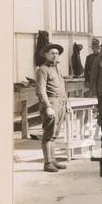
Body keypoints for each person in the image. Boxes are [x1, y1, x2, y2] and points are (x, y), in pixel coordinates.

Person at [34, 43, 69, 172]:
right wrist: (48, 107)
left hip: (60, 104)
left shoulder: (57, 69)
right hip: (51, 103)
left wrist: (67, 103)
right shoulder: (42, 69)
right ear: (46, 55)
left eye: (57, 53)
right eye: (52, 53)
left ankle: (53, 160)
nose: (55, 55)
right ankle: (47, 163)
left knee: (55, 134)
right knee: (49, 134)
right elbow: (41, 91)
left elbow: (62, 88)